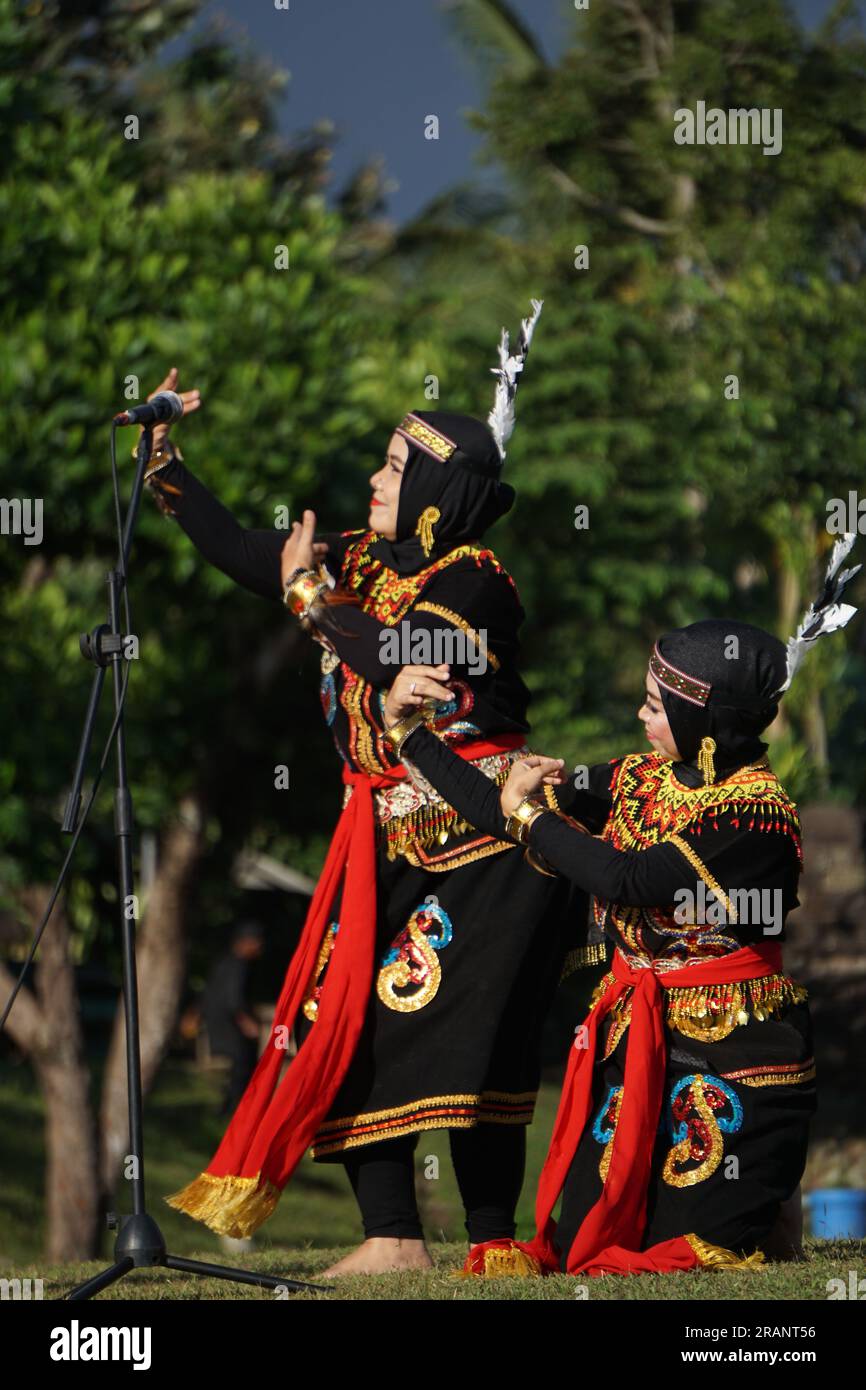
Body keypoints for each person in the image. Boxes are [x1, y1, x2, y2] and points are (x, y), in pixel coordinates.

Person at [151, 305, 587, 1274]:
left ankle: (490, 1244)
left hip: (482, 842)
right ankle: (391, 1240)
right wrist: (166, 468)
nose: (375, 482)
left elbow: (398, 654)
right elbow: (250, 558)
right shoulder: (362, 561)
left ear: (435, 491)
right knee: (336, 1024)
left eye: (393, 470)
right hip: (380, 841)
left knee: (466, 1040)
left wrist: (313, 599)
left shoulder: (477, 584)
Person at [380, 540, 859, 1276]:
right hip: (638, 1044)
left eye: (655, 705)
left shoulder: (756, 817)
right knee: (581, 1251)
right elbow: (498, 805)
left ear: (708, 719)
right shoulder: (642, 778)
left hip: (732, 1056)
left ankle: (765, 1200)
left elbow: (631, 880)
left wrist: (534, 820)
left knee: (684, 1250)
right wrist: (413, 735)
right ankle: (765, 1212)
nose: (640, 716)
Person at [201, 922, 266, 1115]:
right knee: (242, 1065)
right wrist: (247, 1022)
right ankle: (235, 1109)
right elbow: (233, 998)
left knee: (240, 1067)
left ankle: (232, 1107)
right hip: (229, 1024)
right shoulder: (238, 966)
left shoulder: (226, 963)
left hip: (221, 1021)